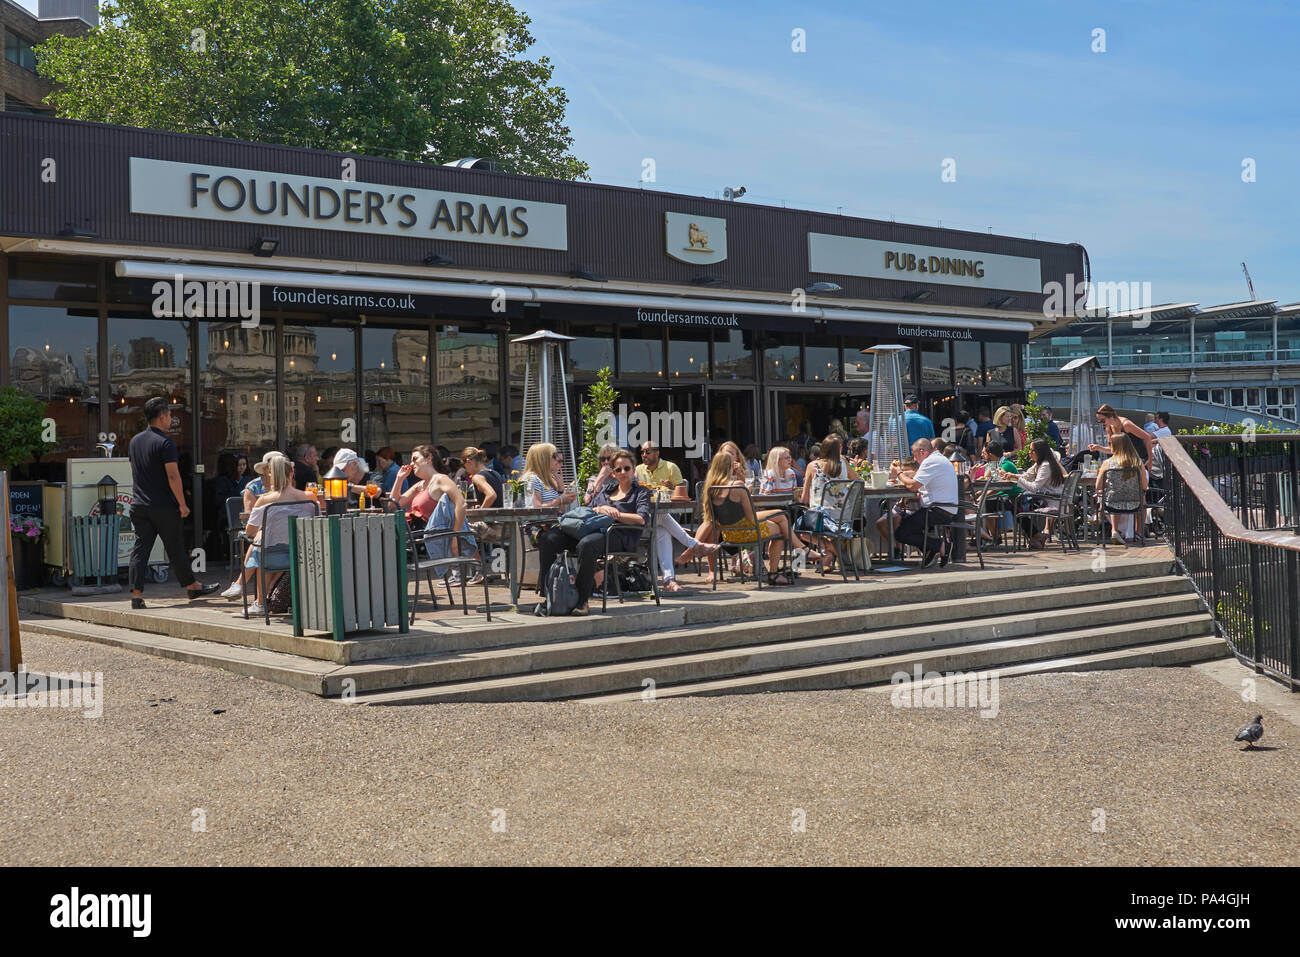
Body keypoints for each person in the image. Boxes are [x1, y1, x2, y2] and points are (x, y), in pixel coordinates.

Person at [127, 397, 220, 608]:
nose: (170, 419)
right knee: (176, 547)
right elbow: (173, 476)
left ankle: (136, 594)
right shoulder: (165, 443)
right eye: (169, 415)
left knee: (140, 549)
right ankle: (192, 586)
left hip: (139, 503)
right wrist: (182, 503)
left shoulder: (135, 441)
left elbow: (135, 471)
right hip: (163, 505)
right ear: (161, 417)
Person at [536, 449, 650, 613]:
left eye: (627, 468)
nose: (623, 472)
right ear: (613, 473)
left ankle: (582, 600)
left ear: (634, 469)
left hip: (618, 534)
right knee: (549, 538)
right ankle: (549, 596)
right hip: (591, 530)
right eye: (618, 469)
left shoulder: (640, 492)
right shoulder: (606, 490)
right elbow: (590, 509)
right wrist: (600, 508)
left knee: (586, 545)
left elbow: (641, 519)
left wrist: (616, 514)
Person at [230, 453, 316, 614]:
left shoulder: (265, 500)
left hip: (272, 558)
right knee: (263, 542)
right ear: (292, 473)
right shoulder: (308, 497)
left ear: (270, 476)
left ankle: (257, 600)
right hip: (302, 556)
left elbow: (250, 531)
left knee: (260, 542)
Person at [702, 450, 800, 585]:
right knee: (781, 526)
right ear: (730, 466)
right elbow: (750, 517)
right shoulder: (738, 486)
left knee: (779, 519)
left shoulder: (711, 488)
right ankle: (774, 572)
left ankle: (793, 556)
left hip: (728, 536)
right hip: (747, 532)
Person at [890, 438, 958, 567]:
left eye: (915, 455)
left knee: (901, 533)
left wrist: (898, 473)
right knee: (908, 524)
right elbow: (918, 480)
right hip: (945, 507)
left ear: (922, 451)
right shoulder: (939, 459)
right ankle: (930, 551)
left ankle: (940, 545)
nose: (915, 459)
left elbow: (913, 486)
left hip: (937, 509)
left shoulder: (930, 462)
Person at [800, 435, 852, 571]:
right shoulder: (844, 464)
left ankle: (830, 549)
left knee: (801, 532)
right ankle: (828, 558)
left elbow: (804, 498)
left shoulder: (813, 466)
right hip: (844, 515)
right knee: (820, 529)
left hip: (821, 517)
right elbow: (858, 481)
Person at [1010, 438, 1066, 548]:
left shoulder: (1045, 466)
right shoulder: (1039, 464)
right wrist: (1013, 475)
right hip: (1047, 500)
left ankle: (1036, 536)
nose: (1029, 453)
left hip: (1052, 502)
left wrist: (1017, 480)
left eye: (1032, 451)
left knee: (1015, 506)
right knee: (1015, 506)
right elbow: (1026, 476)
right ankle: (1036, 537)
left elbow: (1034, 487)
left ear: (1040, 452)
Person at [1096, 432, 1148, 545]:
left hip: (1112, 503)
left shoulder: (1107, 463)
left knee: (1114, 494)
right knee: (1143, 498)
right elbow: (1144, 486)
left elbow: (1098, 486)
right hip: (1134, 503)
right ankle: (1138, 532)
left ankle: (1114, 530)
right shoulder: (1138, 463)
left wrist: (1108, 482)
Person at [391, 445, 445, 526]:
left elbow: (460, 504)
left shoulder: (441, 480)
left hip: (432, 534)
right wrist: (399, 478)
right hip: (417, 534)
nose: (411, 464)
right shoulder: (419, 485)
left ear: (429, 459)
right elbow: (393, 505)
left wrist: (455, 535)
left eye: (415, 459)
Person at [520, 443, 577, 508]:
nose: (561, 465)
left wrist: (560, 489)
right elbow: (536, 508)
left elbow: (561, 511)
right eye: (558, 460)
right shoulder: (531, 479)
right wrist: (560, 500)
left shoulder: (548, 480)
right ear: (544, 459)